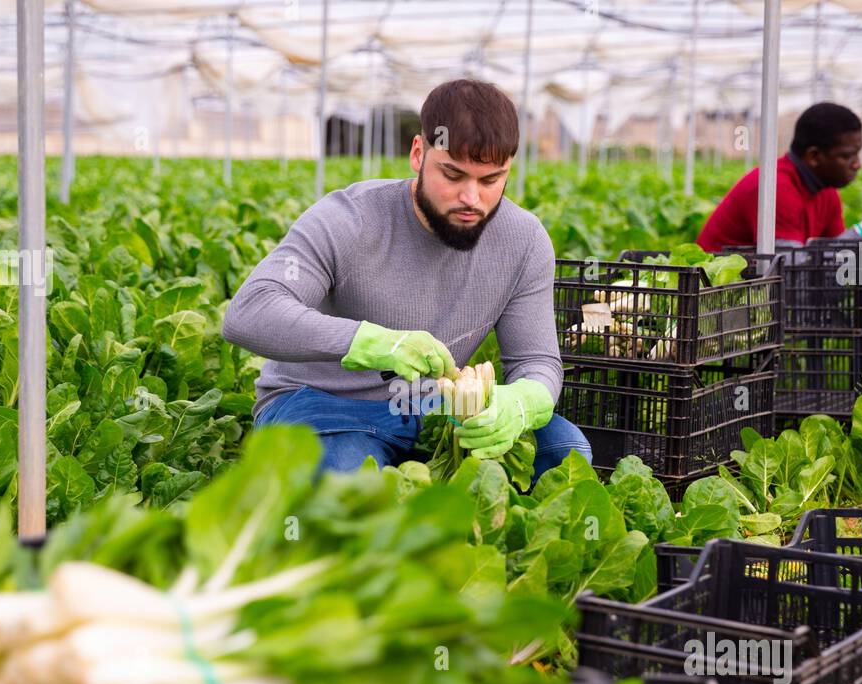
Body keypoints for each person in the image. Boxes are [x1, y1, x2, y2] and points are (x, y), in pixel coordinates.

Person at [220, 79, 591, 483]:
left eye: (490, 180)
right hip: (322, 403)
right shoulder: (350, 219)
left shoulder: (524, 240)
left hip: (435, 407)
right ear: (419, 154)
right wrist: (374, 342)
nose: (472, 198)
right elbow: (250, 311)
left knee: (565, 454)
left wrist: (522, 402)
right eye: (453, 174)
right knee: (346, 484)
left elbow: (536, 360)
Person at [696, 102, 862, 253]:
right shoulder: (775, 188)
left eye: (857, 153)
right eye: (846, 156)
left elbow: (830, 264)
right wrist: (860, 235)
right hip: (717, 302)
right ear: (814, 156)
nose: (857, 164)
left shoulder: (827, 193)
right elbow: (790, 271)